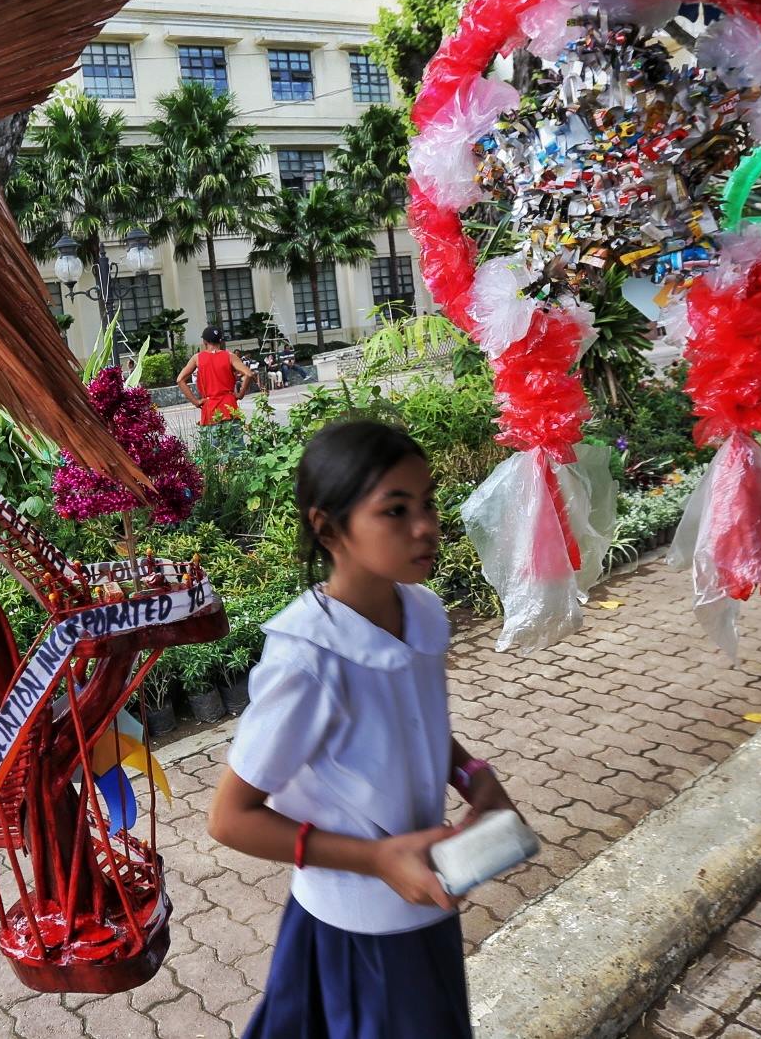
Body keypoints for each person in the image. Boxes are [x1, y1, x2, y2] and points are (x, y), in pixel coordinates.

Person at [208, 420, 517, 1037]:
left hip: (425, 898)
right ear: (328, 528)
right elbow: (230, 817)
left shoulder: (422, 612)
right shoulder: (306, 660)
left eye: (426, 502)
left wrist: (475, 779)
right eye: (395, 511)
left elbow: (419, 725)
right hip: (357, 930)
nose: (425, 525)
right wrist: (375, 859)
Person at [176, 327, 255, 426]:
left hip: (210, 407)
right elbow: (249, 374)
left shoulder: (197, 358)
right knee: (234, 439)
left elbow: (180, 379)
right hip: (229, 406)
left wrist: (195, 401)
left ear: (204, 341)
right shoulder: (230, 356)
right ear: (220, 341)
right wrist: (240, 394)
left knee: (213, 440)